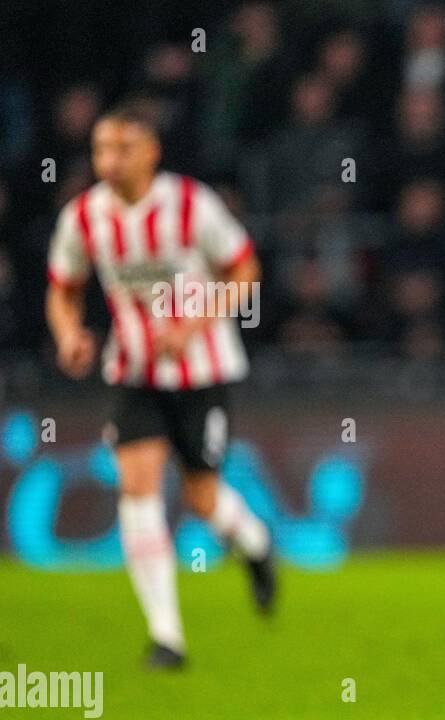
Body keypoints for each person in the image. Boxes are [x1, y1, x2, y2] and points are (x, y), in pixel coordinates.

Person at [45, 103, 276, 669]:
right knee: (138, 484)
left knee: (201, 497)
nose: (110, 161)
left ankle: (254, 544)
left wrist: (196, 323)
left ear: (151, 152)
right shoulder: (83, 217)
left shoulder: (192, 204)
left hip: (204, 371)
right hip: (133, 370)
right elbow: (63, 286)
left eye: (123, 149)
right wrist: (70, 332)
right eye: (101, 150)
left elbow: (245, 271)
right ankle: (167, 636)